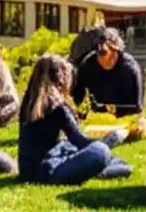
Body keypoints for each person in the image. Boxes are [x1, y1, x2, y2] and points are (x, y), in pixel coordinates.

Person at [17, 55, 132, 185]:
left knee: (71, 147)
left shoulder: (29, 102)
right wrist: (112, 139)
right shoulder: (58, 107)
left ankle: (94, 167)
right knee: (101, 151)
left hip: (28, 170)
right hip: (49, 170)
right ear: (62, 78)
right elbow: (81, 142)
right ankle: (95, 170)